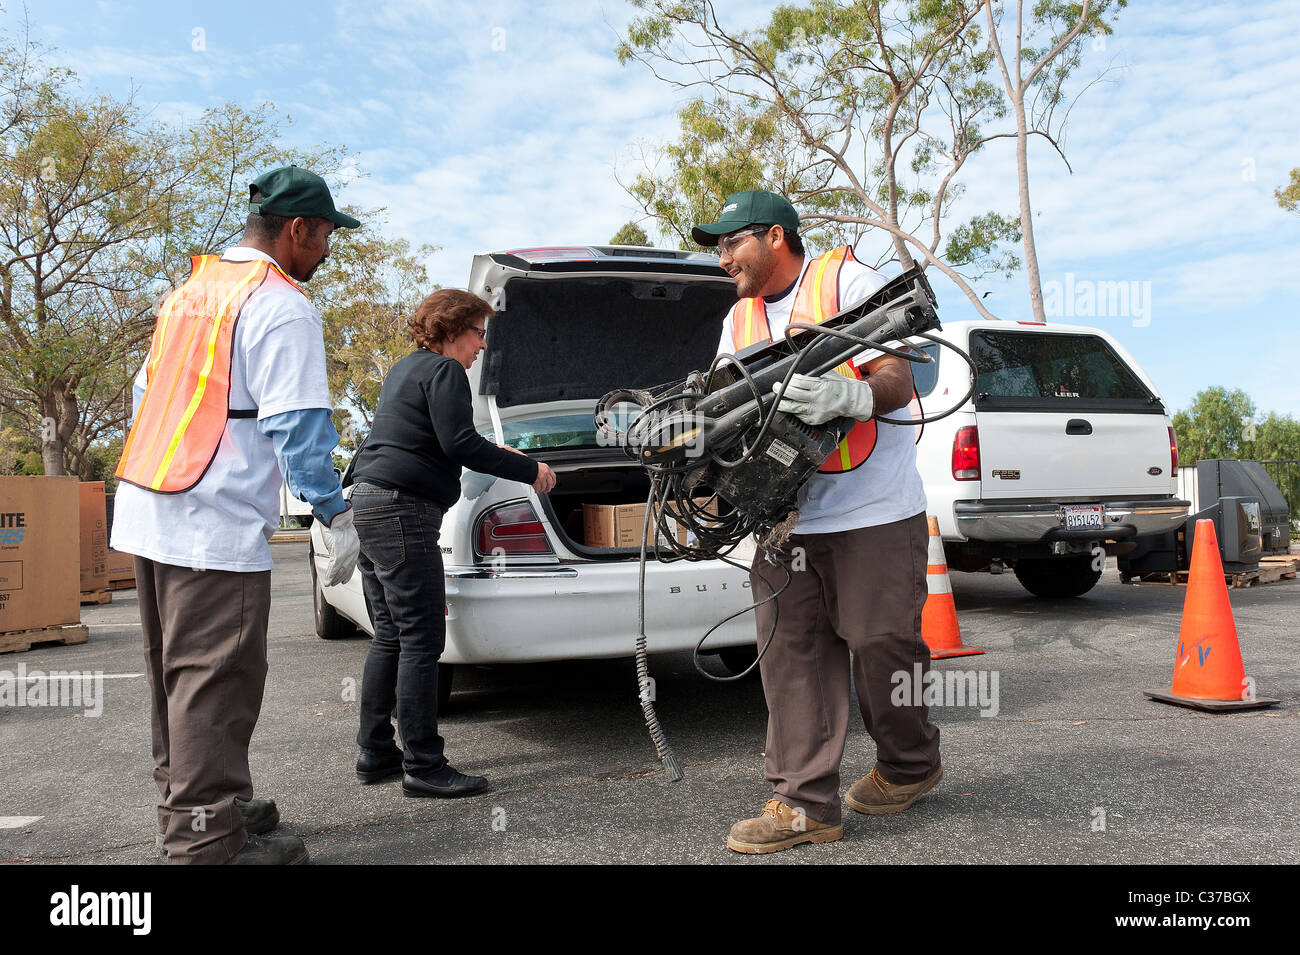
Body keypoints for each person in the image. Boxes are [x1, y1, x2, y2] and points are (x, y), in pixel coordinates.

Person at [111, 165, 361, 865]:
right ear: (296, 229)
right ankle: (205, 844)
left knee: (179, 679)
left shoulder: (191, 292)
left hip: (150, 506)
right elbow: (299, 429)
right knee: (215, 681)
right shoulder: (281, 304)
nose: (327, 251)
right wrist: (335, 513)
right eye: (325, 237)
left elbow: (146, 402)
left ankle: (206, 804)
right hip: (209, 524)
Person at [691, 190, 942, 854]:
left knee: (880, 640)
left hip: (873, 508)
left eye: (730, 242)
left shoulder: (845, 281)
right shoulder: (738, 323)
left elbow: (900, 371)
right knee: (791, 652)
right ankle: (805, 804)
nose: (722, 259)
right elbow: (726, 408)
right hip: (786, 518)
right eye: (716, 247)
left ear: (776, 235)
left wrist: (856, 392)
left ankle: (910, 762)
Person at [348, 289, 557, 798]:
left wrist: (493, 451)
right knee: (421, 638)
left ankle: (376, 751)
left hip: (368, 501)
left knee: (391, 635)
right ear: (453, 329)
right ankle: (423, 765)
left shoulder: (406, 369)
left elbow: (438, 439)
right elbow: (458, 443)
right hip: (403, 509)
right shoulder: (445, 372)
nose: (483, 346)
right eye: (479, 333)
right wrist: (529, 468)